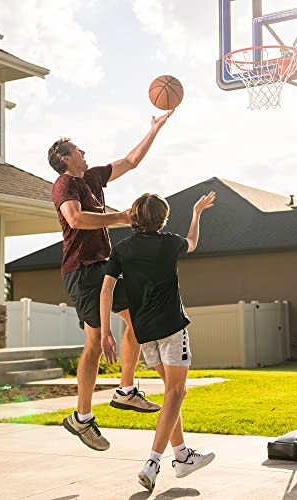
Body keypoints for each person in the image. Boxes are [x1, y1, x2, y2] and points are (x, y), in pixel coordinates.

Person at [49, 111, 173, 452]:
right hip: (82, 270)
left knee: (138, 319)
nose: (84, 152)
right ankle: (82, 417)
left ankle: (125, 390)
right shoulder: (65, 184)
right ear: (65, 158)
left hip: (101, 265)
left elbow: (131, 161)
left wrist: (154, 129)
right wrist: (119, 216)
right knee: (93, 343)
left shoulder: (91, 178)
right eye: (78, 150)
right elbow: (74, 219)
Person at [100, 191, 216, 491]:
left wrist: (105, 331)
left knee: (170, 394)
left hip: (145, 333)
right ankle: (153, 462)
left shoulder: (122, 249)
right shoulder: (170, 243)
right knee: (177, 392)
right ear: (162, 218)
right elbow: (192, 242)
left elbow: (106, 291)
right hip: (172, 327)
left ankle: (182, 455)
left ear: (134, 217)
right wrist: (197, 213)